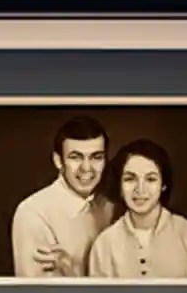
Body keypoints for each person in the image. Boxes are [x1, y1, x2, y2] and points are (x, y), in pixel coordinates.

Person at [87, 138, 187, 278]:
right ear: (119, 185)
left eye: (150, 179)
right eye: (130, 179)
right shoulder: (104, 244)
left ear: (163, 185)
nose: (140, 189)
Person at [9, 116, 114, 277]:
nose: (87, 168)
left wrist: (71, 270)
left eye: (96, 157)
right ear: (58, 161)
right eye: (75, 157)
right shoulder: (33, 213)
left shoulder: (108, 206)